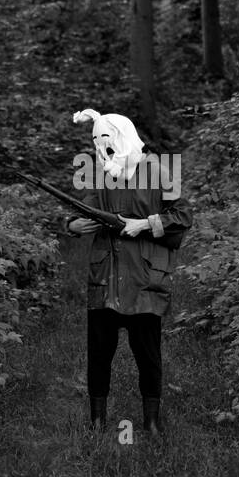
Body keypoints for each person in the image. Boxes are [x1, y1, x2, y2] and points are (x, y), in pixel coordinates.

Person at [65, 109, 193, 435]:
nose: (101, 148)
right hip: (106, 274)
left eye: (106, 140)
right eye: (96, 142)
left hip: (144, 276)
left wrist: (144, 224)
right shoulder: (102, 173)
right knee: (99, 352)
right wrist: (72, 224)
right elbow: (85, 207)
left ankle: (150, 422)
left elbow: (182, 216)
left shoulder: (158, 170)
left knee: (148, 354)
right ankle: (97, 421)